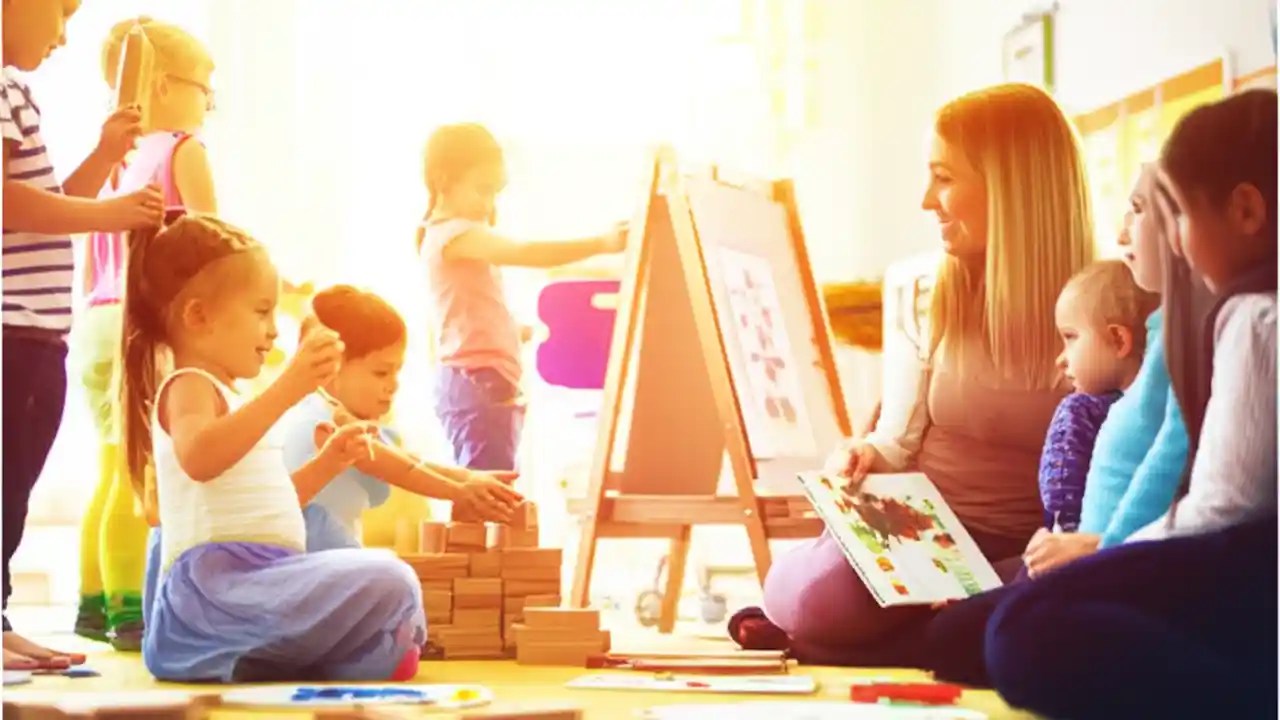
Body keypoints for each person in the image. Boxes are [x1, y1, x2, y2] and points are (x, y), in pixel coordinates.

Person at [730, 83, 1095, 664]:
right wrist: (866, 455)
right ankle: (911, 638)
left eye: (945, 178)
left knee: (1048, 604)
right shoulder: (919, 287)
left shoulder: (1103, 306)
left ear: (1011, 188)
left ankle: (867, 645)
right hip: (919, 541)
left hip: (1028, 550)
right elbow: (896, 441)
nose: (928, 201)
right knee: (812, 600)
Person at [121, 215, 424, 682]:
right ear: (198, 317)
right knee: (390, 579)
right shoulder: (189, 387)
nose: (274, 331)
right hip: (216, 591)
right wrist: (289, 387)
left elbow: (268, 505)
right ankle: (222, 647)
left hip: (263, 580)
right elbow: (199, 459)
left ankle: (260, 657)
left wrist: (329, 463)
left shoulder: (236, 400)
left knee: (389, 588)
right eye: (261, 312)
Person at [2, 0, 165, 671]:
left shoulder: (17, 91)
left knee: (13, 488)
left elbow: (43, 203)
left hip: (35, 335)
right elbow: (8, 201)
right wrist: (110, 210)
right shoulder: (6, 87)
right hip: (18, 331)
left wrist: (102, 157)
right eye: (59, 16)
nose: (65, 38)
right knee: (7, 485)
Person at [75, 16, 218, 651]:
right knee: (141, 475)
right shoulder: (183, 148)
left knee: (109, 468)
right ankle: (130, 611)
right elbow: (216, 243)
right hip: (142, 323)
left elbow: (89, 261)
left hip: (97, 324)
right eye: (203, 87)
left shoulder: (118, 164)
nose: (208, 103)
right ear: (164, 86)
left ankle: (91, 604)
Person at [417, 123, 626, 472]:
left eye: (496, 193)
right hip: (477, 383)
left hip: (483, 381)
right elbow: (526, 252)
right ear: (443, 180)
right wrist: (602, 243)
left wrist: (514, 331)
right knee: (488, 497)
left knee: (492, 492)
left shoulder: (453, 237)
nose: (489, 204)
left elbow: (469, 309)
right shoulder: (455, 235)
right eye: (482, 190)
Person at [280, 285, 524, 551]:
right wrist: (459, 491)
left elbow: (410, 461)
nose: (393, 385)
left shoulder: (346, 418)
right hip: (306, 558)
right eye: (381, 373)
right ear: (330, 368)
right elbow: (396, 468)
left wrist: (468, 477)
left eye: (397, 372)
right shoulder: (317, 418)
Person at [1036, 260, 1157, 535]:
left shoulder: (1080, 412)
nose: (1060, 359)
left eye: (1070, 337)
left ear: (1117, 339)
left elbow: (1060, 506)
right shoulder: (1172, 403)